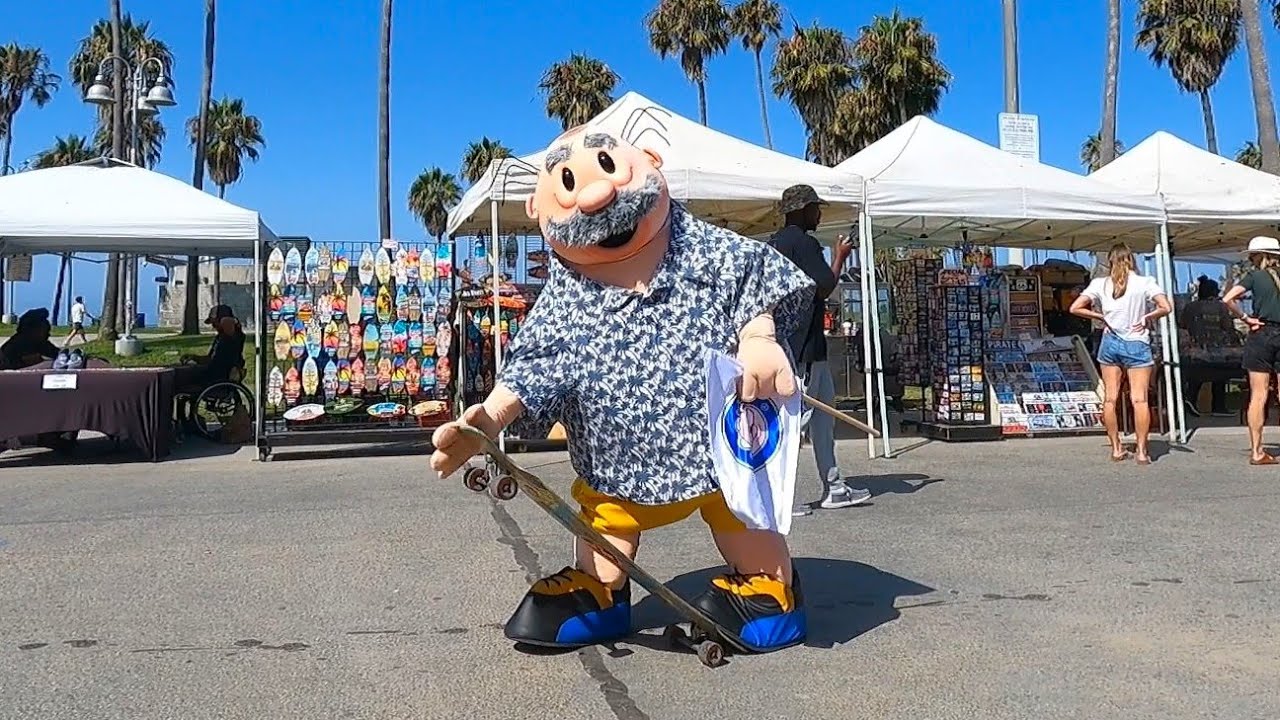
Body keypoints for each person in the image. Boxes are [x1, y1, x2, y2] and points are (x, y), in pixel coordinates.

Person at [430, 127, 814, 652]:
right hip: (617, 467)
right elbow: (536, 363)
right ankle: (601, 592)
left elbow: (751, 284)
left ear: (650, 161)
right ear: (539, 208)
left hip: (722, 453)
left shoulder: (703, 249)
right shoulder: (569, 293)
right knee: (607, 527)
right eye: (568, 184)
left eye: (608, 170)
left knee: (744, 516)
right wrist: (490, 418)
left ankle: (770, 589)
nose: (595, 197)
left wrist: (759, 337)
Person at [766, 184, 870, 509]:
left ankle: (835, 487)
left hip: (794, 346)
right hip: (804, 350)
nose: (819, 214)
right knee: (797, 422)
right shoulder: (803, 243)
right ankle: (781, 498)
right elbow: (824, 287)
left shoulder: (773, 244)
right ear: (802, 211)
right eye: (815, 208)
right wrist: (839, 257)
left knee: (824, 419)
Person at [1069, 243, 1172, 465]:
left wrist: (1100, 317)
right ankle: (1142, 451)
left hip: (1110, 340)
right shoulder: (1145, 282)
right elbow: (1166, 306)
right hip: (1136, 342)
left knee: (1110, 398)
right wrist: (1147, 318)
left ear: (1110, 261)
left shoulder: (1100, 284)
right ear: (1131, 260)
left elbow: (1075, 307)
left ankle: (1116, 447)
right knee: (1139, 399)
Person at [1222, 236, 1280, 465]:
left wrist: (1247, 318)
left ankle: (1257, 451)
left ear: (1258, 256)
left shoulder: (1255, 276)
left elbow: (1227, 298)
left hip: (1262, 334)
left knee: (1259, 395)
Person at [1178, 276, 1240, 417]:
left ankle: (1190, 400)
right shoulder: (1220, 307)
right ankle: (1218, 406)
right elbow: (1227, 326)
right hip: (1217, 349)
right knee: (1219, 376)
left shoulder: (1190, 307)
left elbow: (1181, 325)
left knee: (1196, 377)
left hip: (1195, 349)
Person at [180, 304, 246, 386]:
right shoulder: (220, 337)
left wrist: (226, 320)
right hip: (211, 370)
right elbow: (210, 358)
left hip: (218, 376)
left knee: (180, 376)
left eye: (215, 323)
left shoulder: (233, 337)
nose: (214, 327)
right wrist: (194, 357)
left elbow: (228, 322)